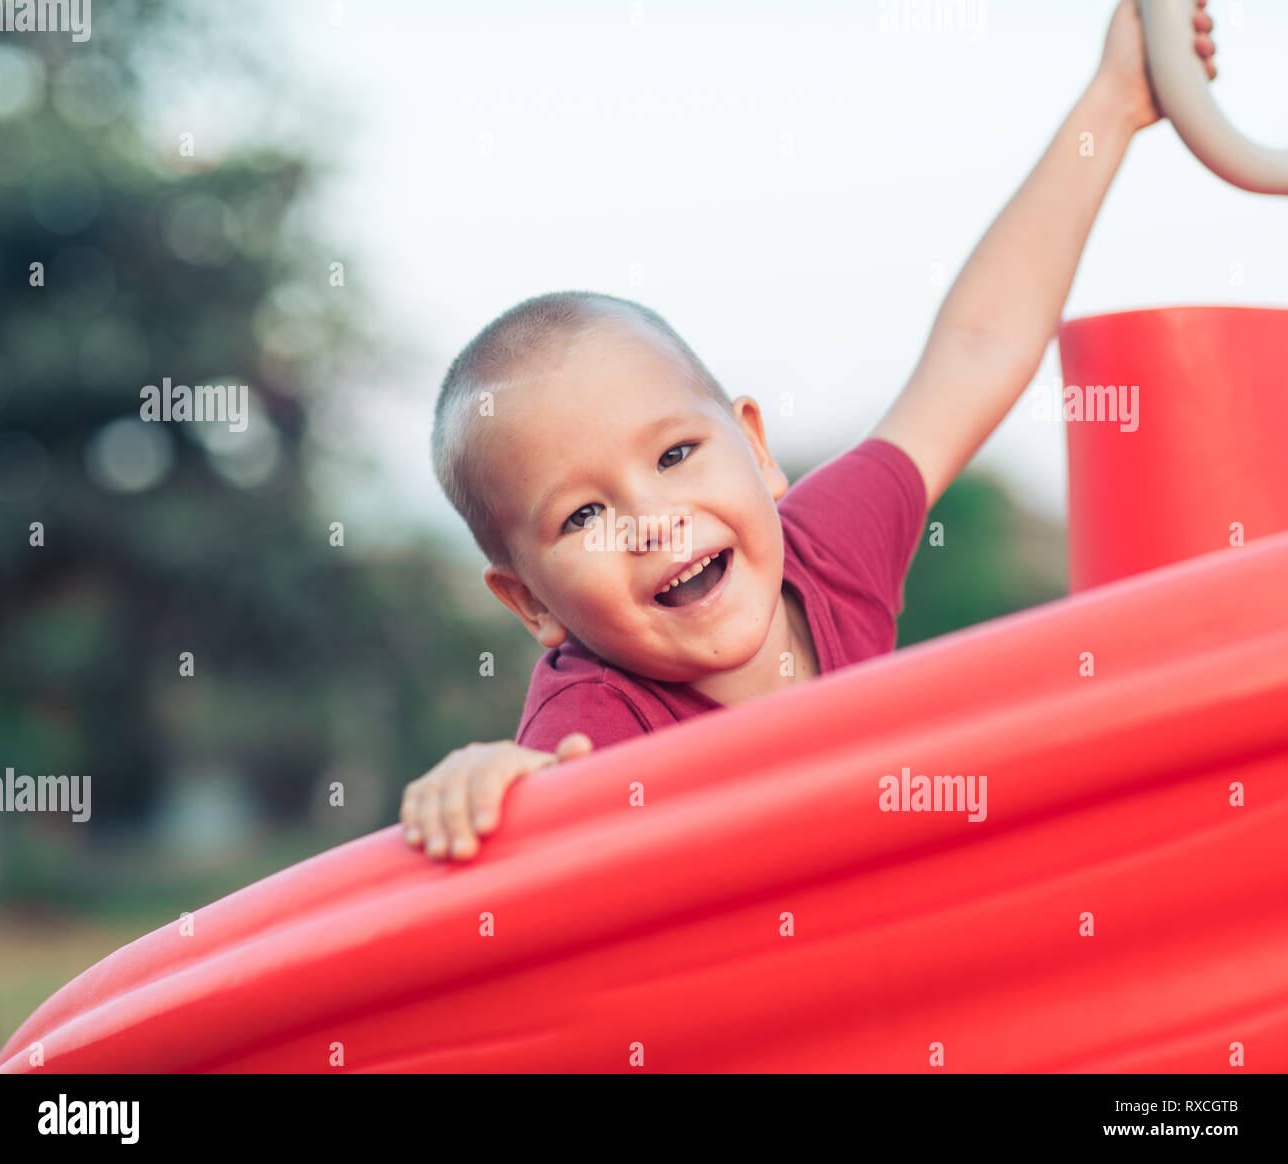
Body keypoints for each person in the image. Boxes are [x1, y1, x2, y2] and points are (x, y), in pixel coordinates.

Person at [401, 0, 1217, 861]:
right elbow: (536, 827)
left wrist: (1114, 103)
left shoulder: (825, 550)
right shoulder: (595, 722)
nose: (655, 522)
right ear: (530, 603)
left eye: (677, 455)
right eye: (583, 516)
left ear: (756, 447)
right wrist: (492, 783)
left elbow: (974, 352)